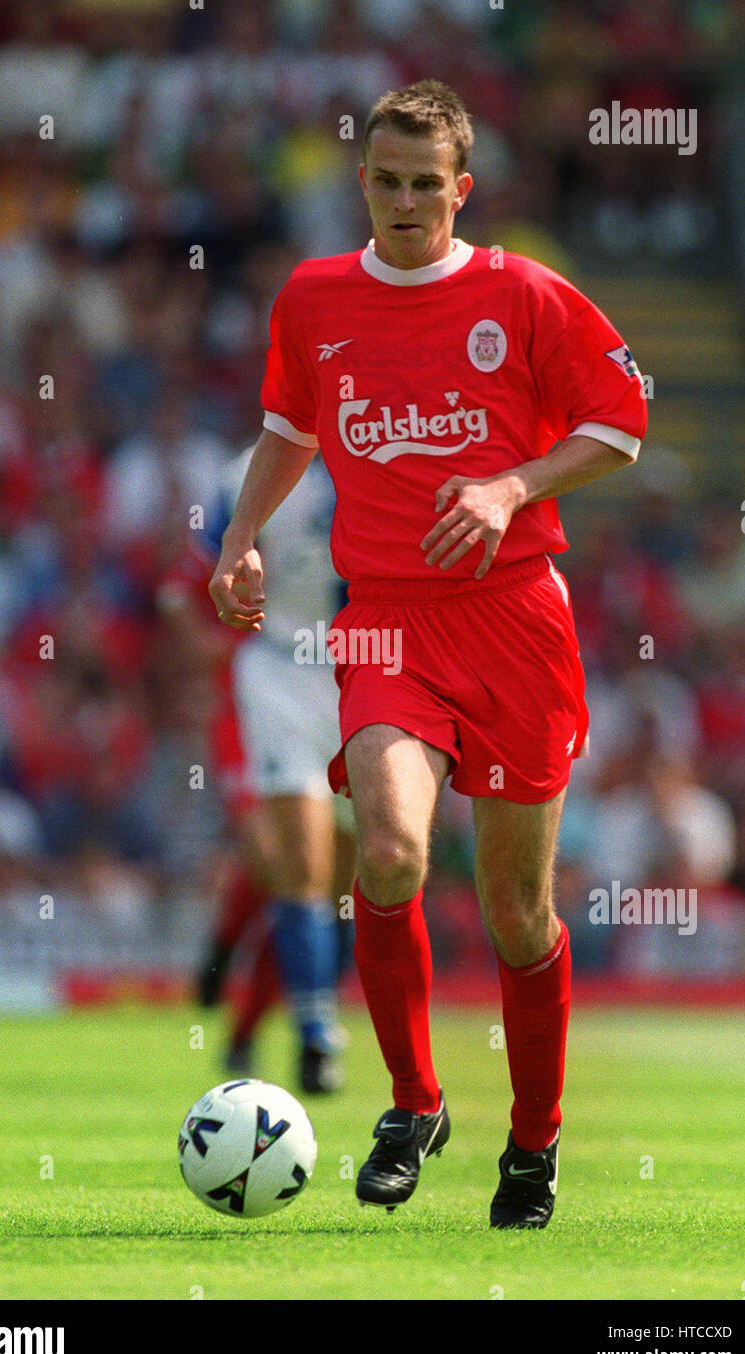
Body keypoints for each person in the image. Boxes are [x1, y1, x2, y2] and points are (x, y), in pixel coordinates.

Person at [209, 80, 647, 1229]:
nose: (405, 203)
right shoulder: (312, 299)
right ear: (362, 180)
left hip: (513, 620)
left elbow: (618, 420)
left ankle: (534, 1141)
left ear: (460, 189)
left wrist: (511, 483)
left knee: (513, 913)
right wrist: (243, 540)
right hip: (386, 620)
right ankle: (411, 1102)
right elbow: (288, 430)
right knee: (391, 853)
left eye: (425, 185)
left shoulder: (523, 293)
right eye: (386, 181)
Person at [160, 448, 354, 1093]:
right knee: (291, 861)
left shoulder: (401, 452)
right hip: (276, 676)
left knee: (343, 883)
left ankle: (241, 1012)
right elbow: (180, 591)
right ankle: (315, 1034)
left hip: (371, 674)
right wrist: (213, 653)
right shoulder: (249, 473)